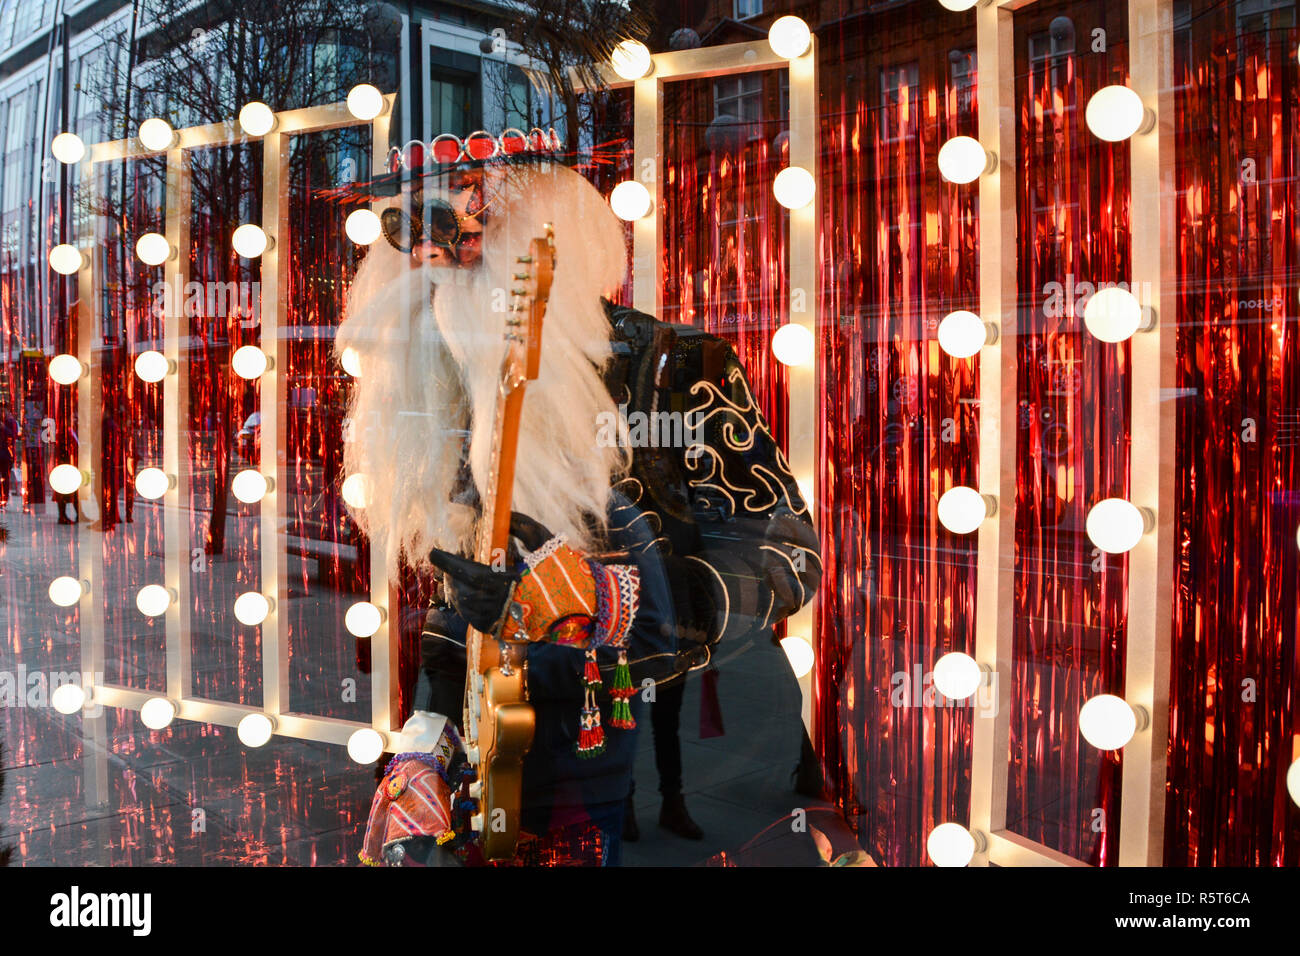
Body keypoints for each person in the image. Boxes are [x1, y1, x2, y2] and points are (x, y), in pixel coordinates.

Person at [340, 145, 820, 867]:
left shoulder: (677, 364)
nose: (433, 263)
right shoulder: (455, 379)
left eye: (461, 233)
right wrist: (425, 741)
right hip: (514, 756)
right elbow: (466, 588)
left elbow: (787, 552)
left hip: (675, 746)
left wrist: (613, 601)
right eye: (409, 236)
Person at [0, 403, 18, 509]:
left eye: (3, 410)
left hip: (6, 454)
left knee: (5, 478)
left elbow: (13, 435)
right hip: (4, 454)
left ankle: (3, 499)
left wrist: (4, 428)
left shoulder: (11, 422)